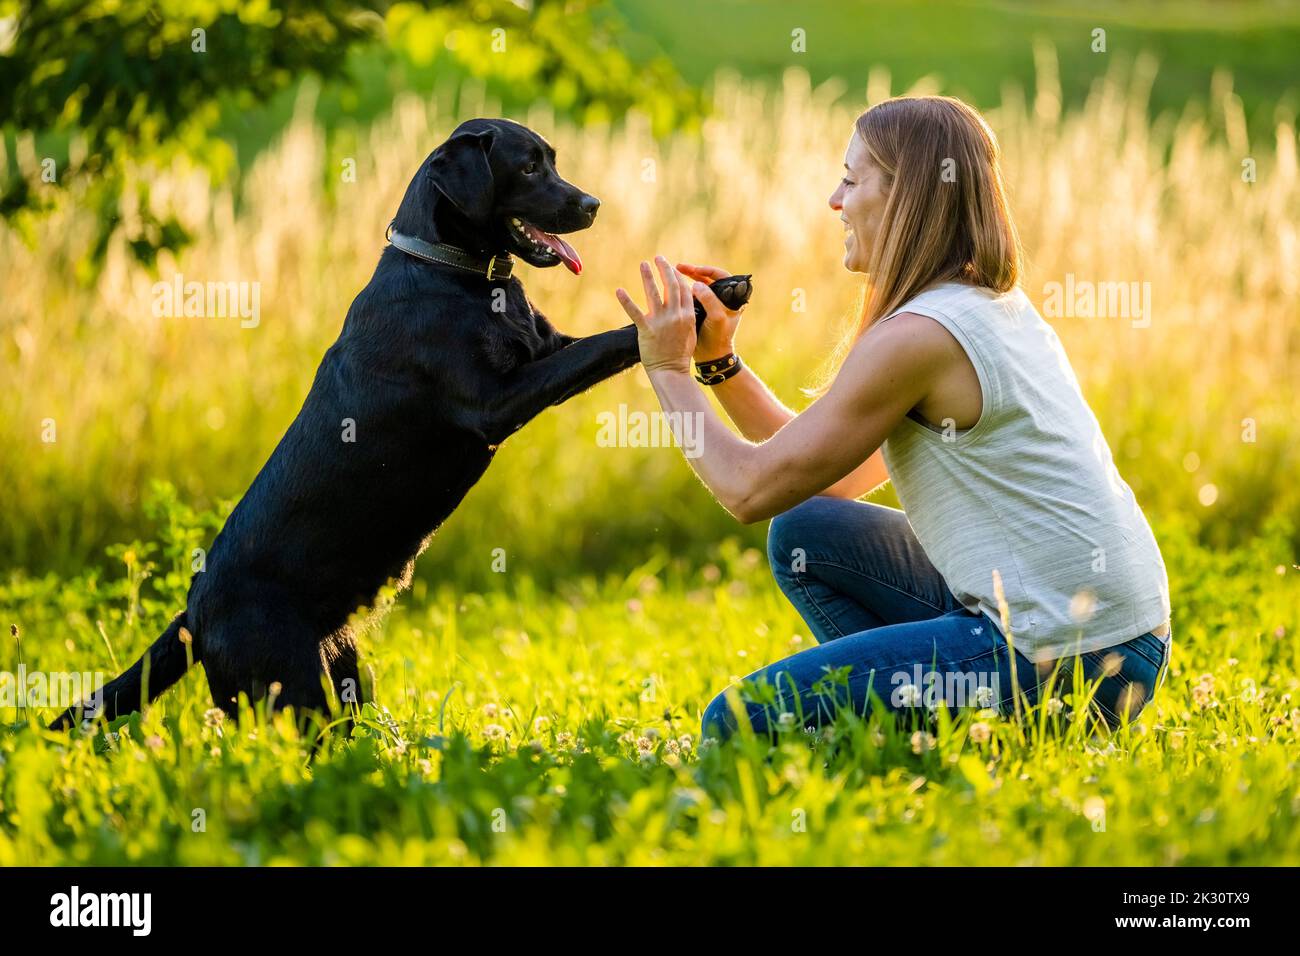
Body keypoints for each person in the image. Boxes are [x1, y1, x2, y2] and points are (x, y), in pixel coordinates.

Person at [614, 95, 1171, 742]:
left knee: (736, 723)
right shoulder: (980, 305)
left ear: (905, 195)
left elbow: (748, 490)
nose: (834, 201)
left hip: (1068, 657)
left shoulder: (920, 337)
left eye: (851, 181)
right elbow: (827, 476)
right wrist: (719, 364)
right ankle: (906, 730)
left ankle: (907, 731)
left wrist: (668, 368)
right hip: (1120, 639)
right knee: (808, 531)